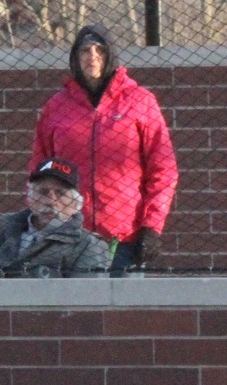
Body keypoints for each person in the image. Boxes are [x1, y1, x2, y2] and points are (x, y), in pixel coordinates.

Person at [31, 25, 179, 275]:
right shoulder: (57, 107)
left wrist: (152, 226)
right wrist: (43, 217)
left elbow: (163, 169)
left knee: (123, 310)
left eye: (100, 50)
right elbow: (39, 168)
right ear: (75, 58)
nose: (92, 57)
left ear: (110, 55)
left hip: (122, 235)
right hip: (69, 232)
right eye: (85, 51)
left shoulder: (139, 101)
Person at [0, 158, 111, 278]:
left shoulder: (88, 245)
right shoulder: (1, 238)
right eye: (43, 192)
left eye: (61, 193)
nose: (51, 201)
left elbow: (89, 296)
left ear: (75, 204)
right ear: (30, 199)